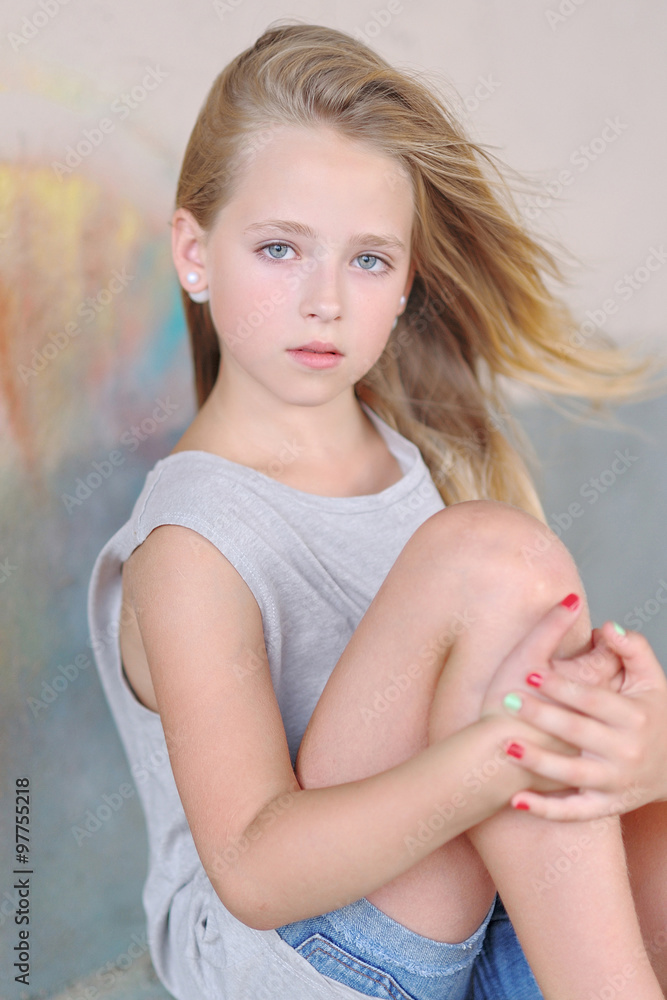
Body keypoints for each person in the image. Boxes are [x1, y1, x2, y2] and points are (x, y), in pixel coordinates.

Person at [86, 21, 667, 1000]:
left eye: (367, 261)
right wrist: (497, 760)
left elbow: (525, 713)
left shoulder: (413, 447)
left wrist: (636, 752)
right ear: (194, 252)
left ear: (403, 282)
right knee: (490, 560)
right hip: (280, 958)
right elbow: (255, 871)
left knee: (611, 733)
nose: (325, 301)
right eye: (279, 249)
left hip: (447, 904)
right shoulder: (189, 543)